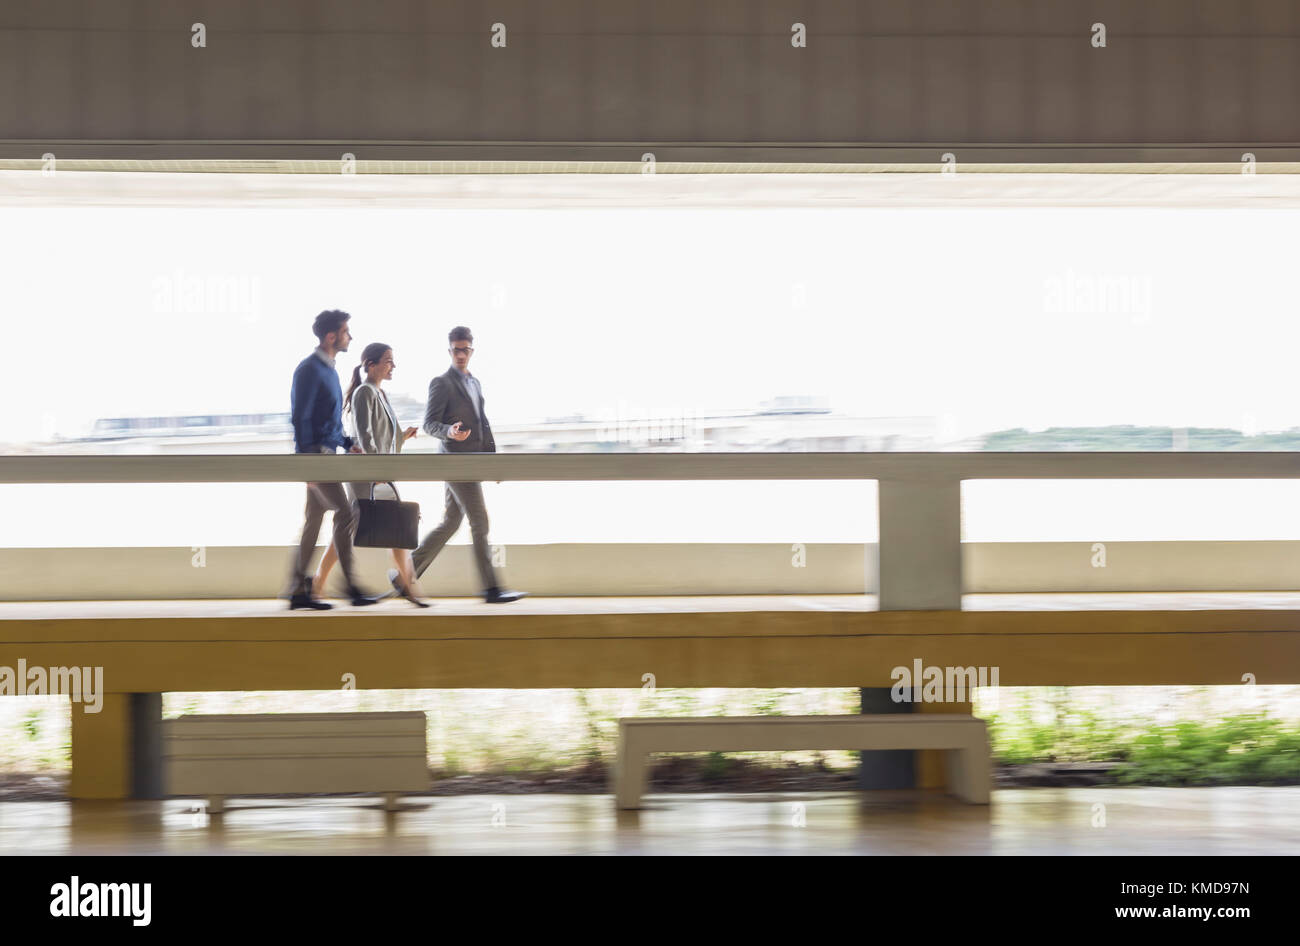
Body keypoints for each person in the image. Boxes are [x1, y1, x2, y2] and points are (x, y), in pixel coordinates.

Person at [405, 326, 526, 603]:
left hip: (473, 462)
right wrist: (449, 431)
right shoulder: (441, 383)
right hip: (454, 462)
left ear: (472, 351)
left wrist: (491, 463)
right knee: (480, 521)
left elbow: (482, 423)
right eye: (456, 349)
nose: (461, 354)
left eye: (465, 349)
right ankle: (491, 588)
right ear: (449, 351)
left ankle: (405, 573)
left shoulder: (475, 383)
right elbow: (429, 424)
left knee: (451, 522)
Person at [312, 342, 429, 608]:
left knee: (360, 528)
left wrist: (403, 436)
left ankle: (319, 582)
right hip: (367, 473)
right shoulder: (364, 392)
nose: (393, 365)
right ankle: (409, 586)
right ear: (371, 364)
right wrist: (376, 470)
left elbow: (386, 437)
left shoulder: (380, 394)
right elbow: (364, 434)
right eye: (388, 360)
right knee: (381, 525)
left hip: (379, 471)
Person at [285, 309, 380, 611]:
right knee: (345, 512)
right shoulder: (309, 370)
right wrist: (307, 464)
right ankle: (350, 586)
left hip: (327, 454)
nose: (349, 336)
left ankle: (297, 588)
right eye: (345, 331)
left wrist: (348, 443)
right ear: (331, 336)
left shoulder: (329, 369)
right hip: (317, 458)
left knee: (313, 520)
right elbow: (301, 418)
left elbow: (330, 423)